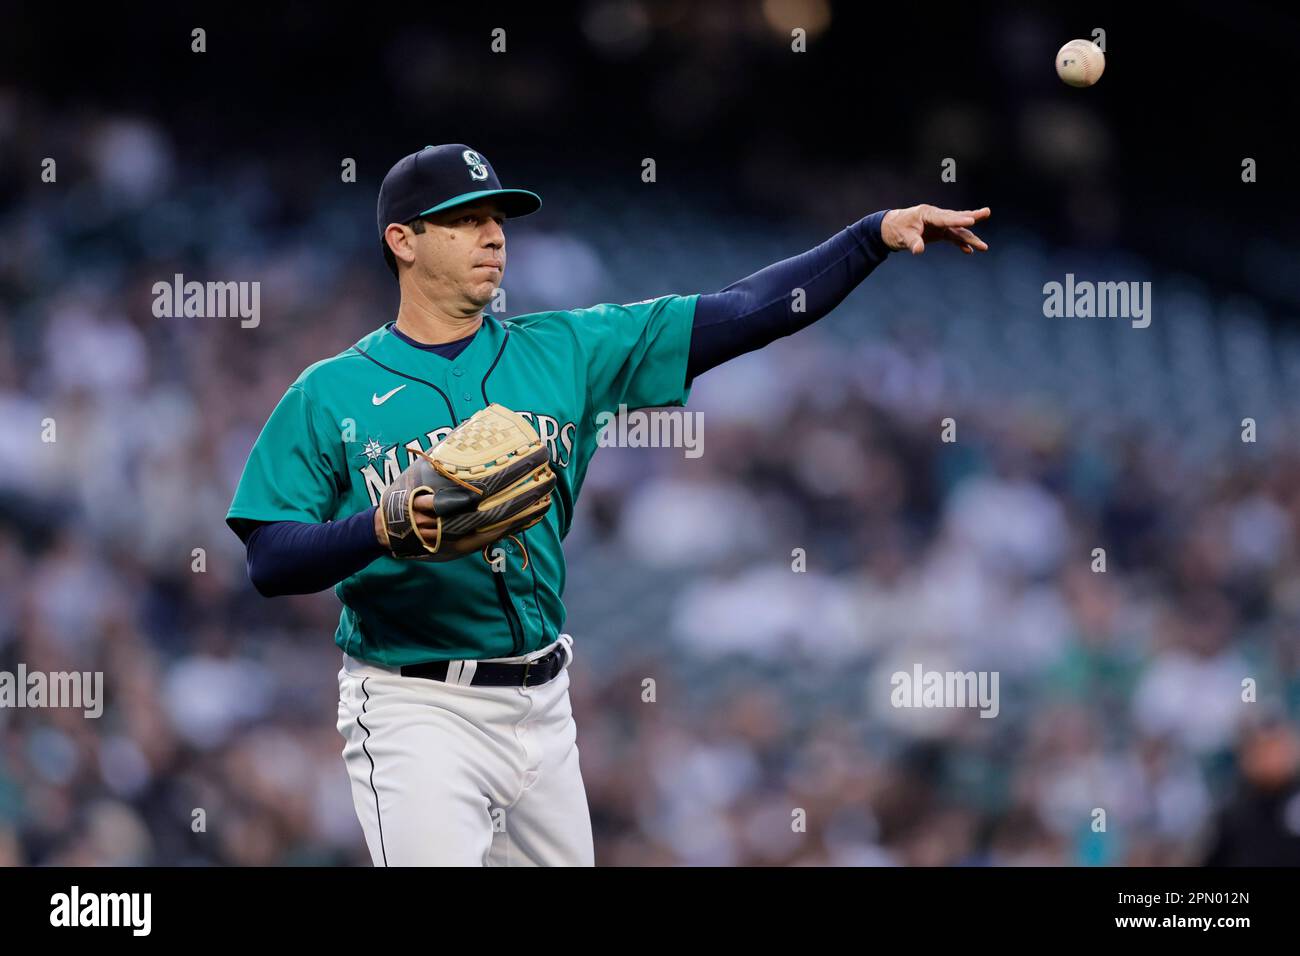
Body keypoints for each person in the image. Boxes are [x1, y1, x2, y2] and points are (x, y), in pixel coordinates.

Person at [226, 143, 990, 866]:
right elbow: (268, 559)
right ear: (403, 239)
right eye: (465, 221)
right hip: (413, 704)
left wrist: (871, 238)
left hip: (543, 703)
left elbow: (745, 312)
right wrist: (377, 528)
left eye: (497, 219)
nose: (493, 235)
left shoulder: (567, 350)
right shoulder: (330, 392)